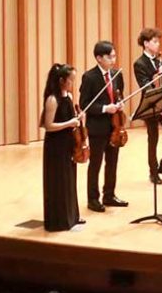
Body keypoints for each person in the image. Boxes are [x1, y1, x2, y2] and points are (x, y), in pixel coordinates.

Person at [80, 41, 130, 212]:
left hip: (114, 126)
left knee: (112, 162)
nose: (113, 60)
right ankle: (93, 199)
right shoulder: (89, 77)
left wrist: (120, 104)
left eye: (114, 56)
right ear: (99, 58)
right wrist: (104, 109)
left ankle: (109, 195)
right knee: (96, 163)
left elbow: (119, 95)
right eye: (109, 57)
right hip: (97, 127)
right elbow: (85, 104)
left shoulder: (117, 74)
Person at [131, 28, 162, 184]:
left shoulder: (160, 60)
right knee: (153, 138)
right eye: (154, 41)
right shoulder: (139, 64)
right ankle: (153, 172)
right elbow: (146, 87)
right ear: (146, 44)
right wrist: (161, 108)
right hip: (151, 104)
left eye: (158, 41)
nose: (158, 44)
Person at [39, 63, 84, 231]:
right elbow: (48, 125)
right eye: (70, 80)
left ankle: (72, 216)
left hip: (68, 143)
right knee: (59, 181)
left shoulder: (70, 97)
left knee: (70, 180)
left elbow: (71, 119)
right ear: (61, 80)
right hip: (55, 146)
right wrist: (69, 123)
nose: (72, 83)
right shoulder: (52, 99)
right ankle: (59, 220)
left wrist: (79, 118)